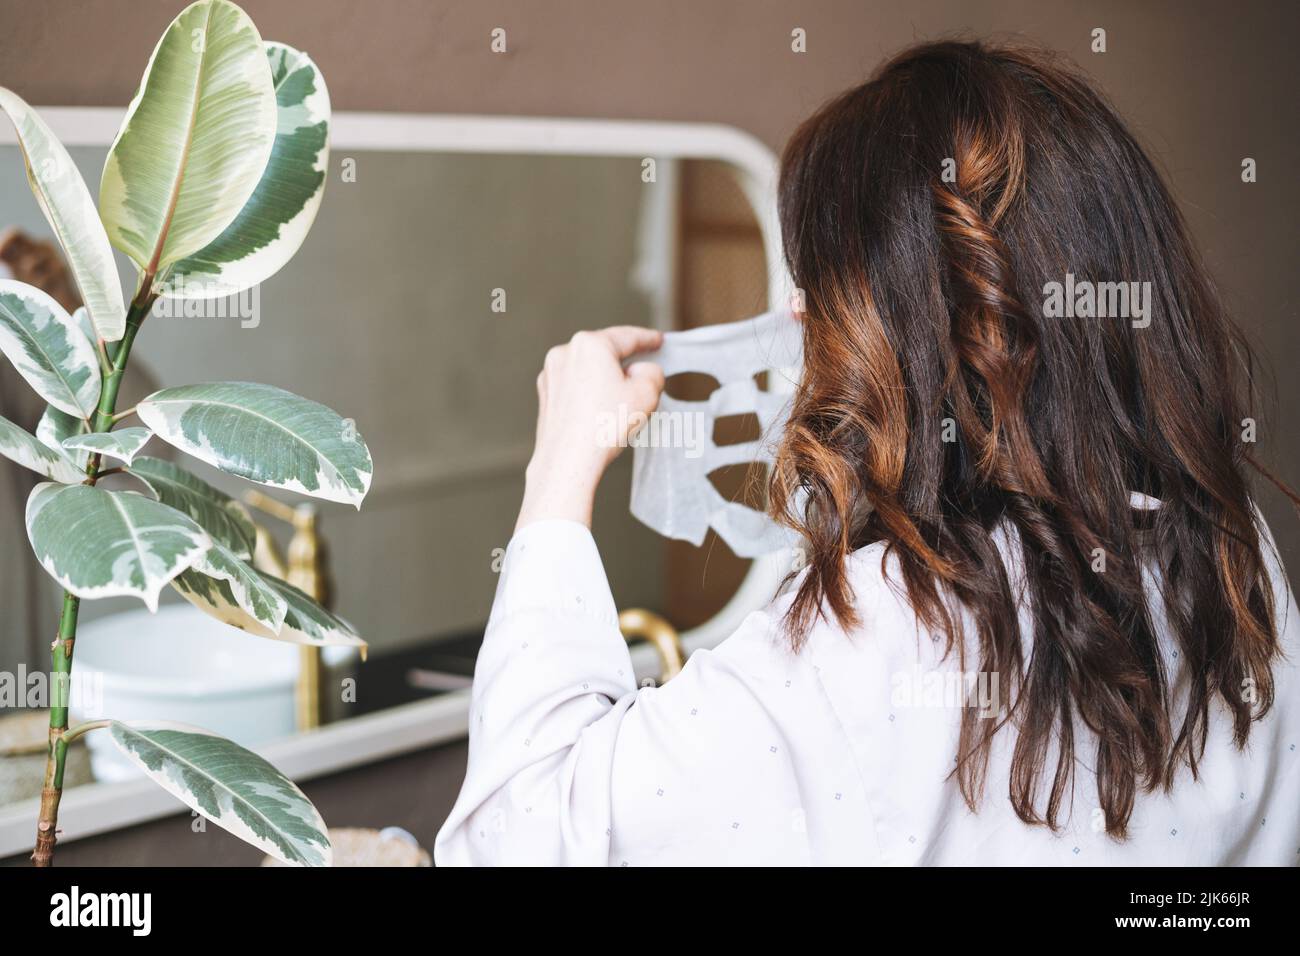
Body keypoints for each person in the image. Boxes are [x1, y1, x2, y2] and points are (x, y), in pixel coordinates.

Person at [434, 41, 1300, 866]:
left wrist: (558, 469)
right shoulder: (1234, 554)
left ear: (889, 319)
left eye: (818, 286)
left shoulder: (878, 635)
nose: (800, 321)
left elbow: (513, 840)